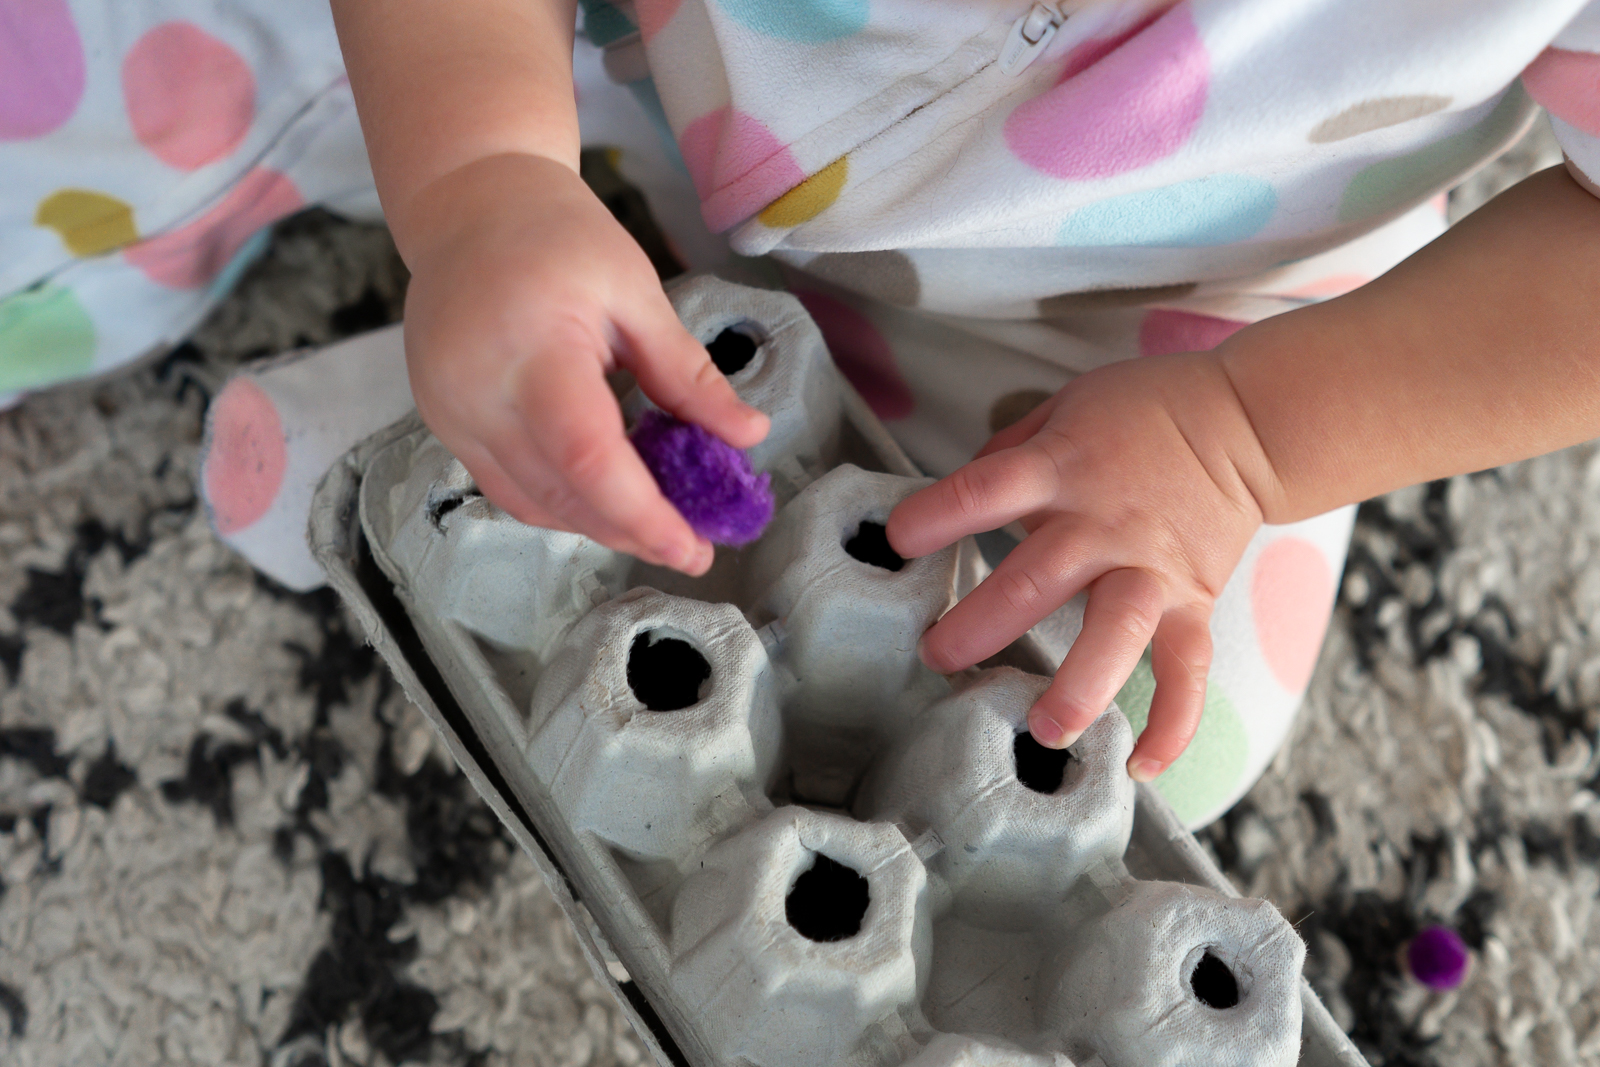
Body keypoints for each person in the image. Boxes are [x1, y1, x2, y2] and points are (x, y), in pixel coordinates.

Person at [5, 0, 1599, 827]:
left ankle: (516, 450)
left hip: (1114, 291)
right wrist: (480, 183)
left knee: (1104, 734)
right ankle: (516, 314)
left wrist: (1243, 435)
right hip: (563, 55)